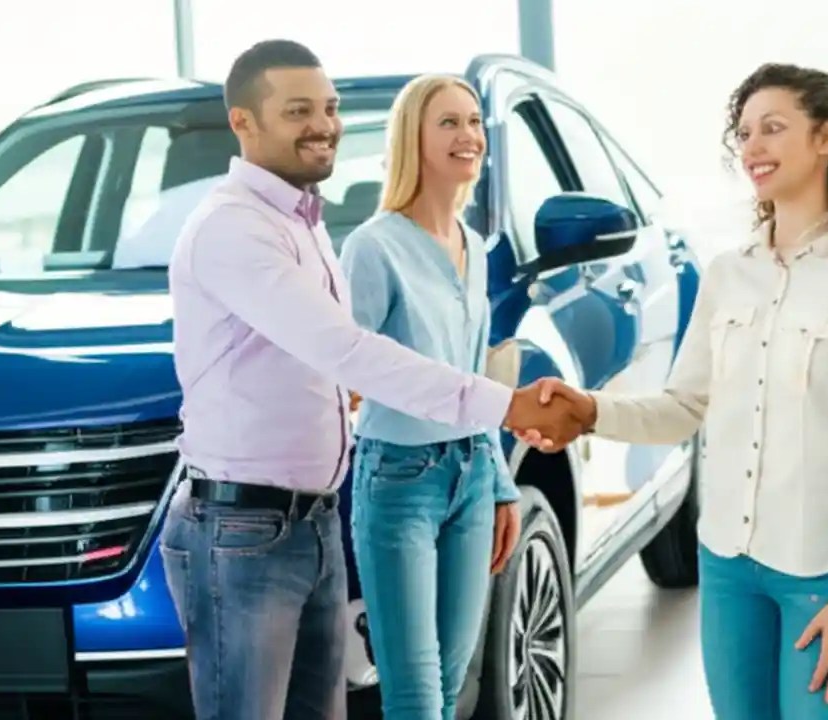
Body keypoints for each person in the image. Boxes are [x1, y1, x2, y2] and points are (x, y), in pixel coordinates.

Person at [160, 40, 579, 720]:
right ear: (243, 122)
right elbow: (347, 351)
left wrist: (491, 468)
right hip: (244, 529)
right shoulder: (236, 230)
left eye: (328, 108)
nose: (322, 124)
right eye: (298, 110)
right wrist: (508, 407)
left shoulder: (303, 221)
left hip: (311, 518)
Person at [523, 63, 828, 719]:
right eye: (745, 131)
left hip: (822, 573)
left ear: (826, 137)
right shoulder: (727, 275)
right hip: (729, 564)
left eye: (773, 128)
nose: (752, 146)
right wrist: (590, 411)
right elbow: (683, 407)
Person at [337, 74, 521, 720]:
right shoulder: (372, 248)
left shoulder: (473, 246)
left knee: (448, 686)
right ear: (411, 137)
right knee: (414, 697)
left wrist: (499, 482)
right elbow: (343, 369)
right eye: (448, 122)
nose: (468, 136)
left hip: (471, 475)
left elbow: (473, 372)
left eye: (474, 122)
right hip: (398, 481)